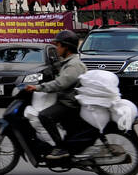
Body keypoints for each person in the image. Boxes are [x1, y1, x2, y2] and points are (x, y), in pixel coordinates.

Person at [26, 30, 91, 159]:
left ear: (66, 47)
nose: (56, 49)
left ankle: (60, 148)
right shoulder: (66, 63)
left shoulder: (74, 65)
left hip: (70, 102)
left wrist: (38, 88)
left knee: (45, 116)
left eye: (58, 45)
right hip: (68, 99)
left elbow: (60, 84)